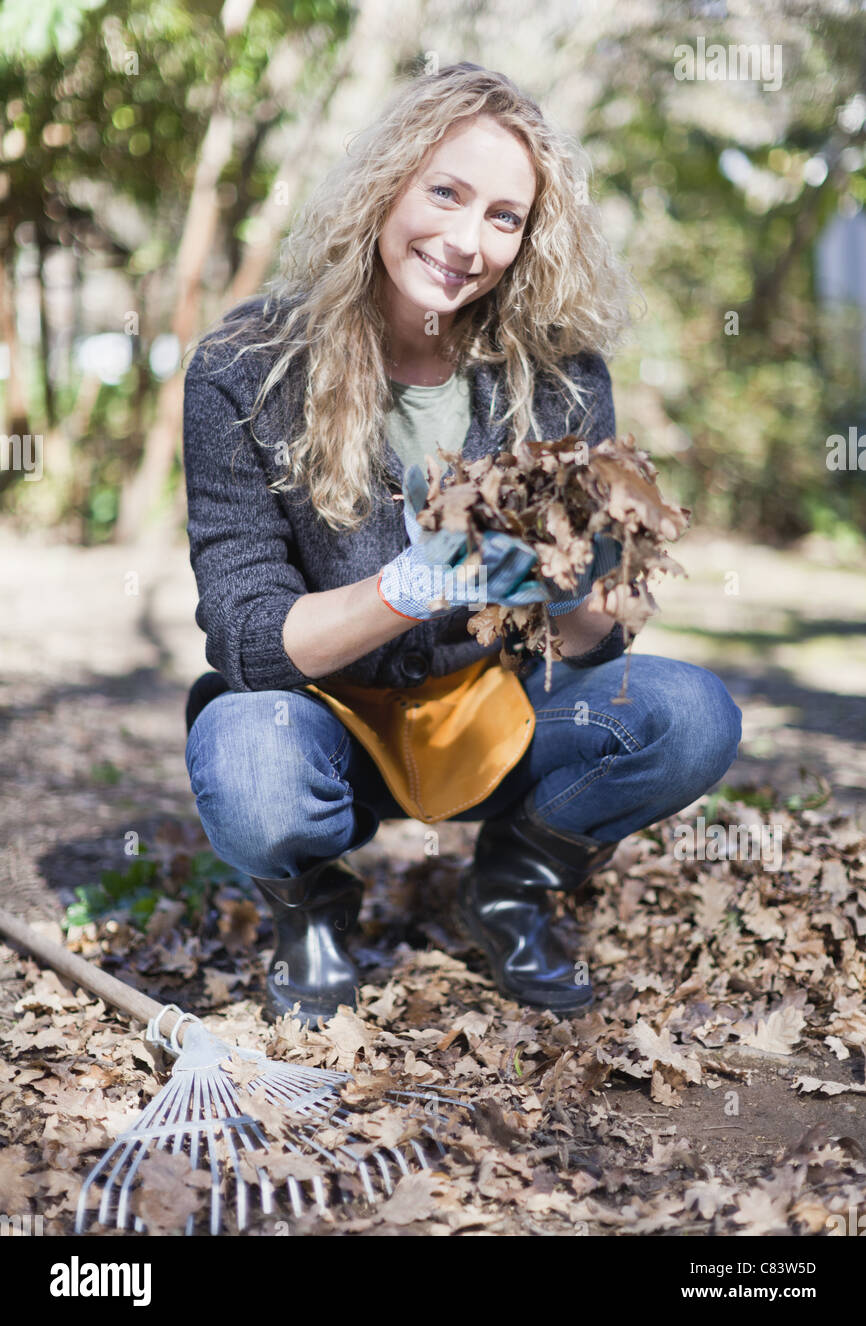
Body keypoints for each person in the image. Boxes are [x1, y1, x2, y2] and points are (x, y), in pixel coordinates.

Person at [182, 62, 742, 1027]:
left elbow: (596, 645)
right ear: (386, 184)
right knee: (246, 753)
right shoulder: (245, 372)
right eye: (446, 191)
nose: (465, 239)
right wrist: (411, 585)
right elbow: (246, 637)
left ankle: (511, 888)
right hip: (325, 720)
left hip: (495, 708)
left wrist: (567, 584)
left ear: (529, 240)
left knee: (688, 715)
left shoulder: (560, 380)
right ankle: (311, 908)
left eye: (504, 216)